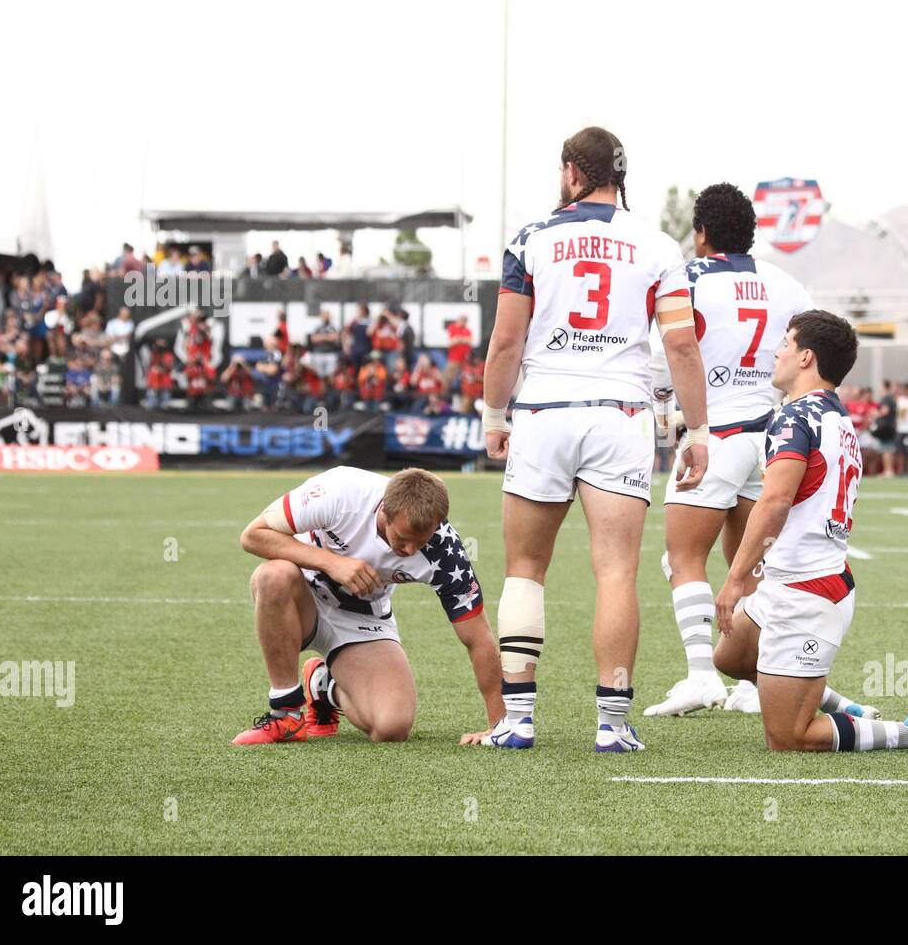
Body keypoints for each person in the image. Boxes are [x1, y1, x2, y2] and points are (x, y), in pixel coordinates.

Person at [481, 126, 708, 752]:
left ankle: (518, 719)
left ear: (572, 172)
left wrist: (493, 417)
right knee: (616, 573)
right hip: (620, 413)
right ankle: (612, 725)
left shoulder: (531, 238)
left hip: (544, 410)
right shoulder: (658, 245)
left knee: (526, 569)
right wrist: (698, 429)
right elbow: (682, 344)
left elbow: (505, 342)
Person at [642, 182, 877, 721]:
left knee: (682, 558)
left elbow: (666, 356)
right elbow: (802, 349)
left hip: (715, 435)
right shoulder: (785, 283)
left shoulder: (689, 277)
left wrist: (663, 414)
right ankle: (753, 678)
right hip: (769, 433)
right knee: (748, 560)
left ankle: (703, 673)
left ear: (700, 232)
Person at [713, 310, 908, 754]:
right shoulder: (833, 415)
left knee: (789, 737)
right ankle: (846, 707)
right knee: (731, 657)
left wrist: (736, 579)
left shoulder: (797, 418)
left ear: (805, 357)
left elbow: (775, 502)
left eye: (786, 343)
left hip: (806, 591)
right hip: (798, 577)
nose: (777, 351)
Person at [232, 466, 502, 745]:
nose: (410, 550)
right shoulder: (340, 491)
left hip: (362, 618)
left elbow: (478, 639)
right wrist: (333, 563)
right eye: (403, 538)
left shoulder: (445, 553)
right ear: (384, 511)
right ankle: (285, 713)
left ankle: (323, 687)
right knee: (272, 576)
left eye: (420, 542)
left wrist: (498, 726)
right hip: (302, 597)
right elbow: (252, 535)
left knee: (391, 728)